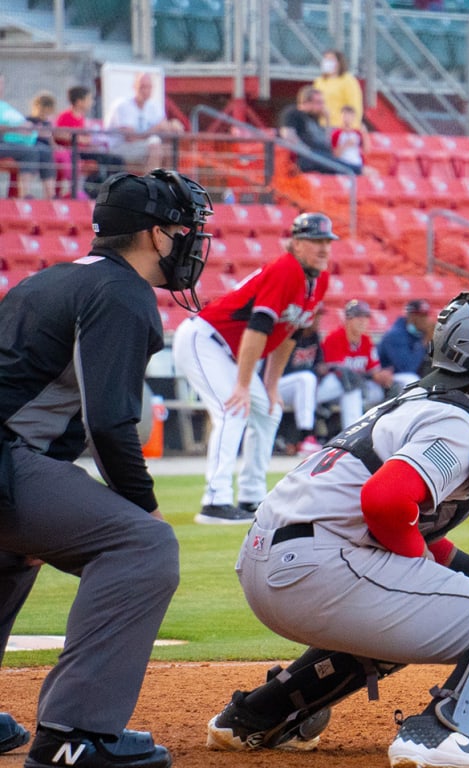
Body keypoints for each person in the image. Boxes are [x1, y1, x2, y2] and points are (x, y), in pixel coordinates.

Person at [203, 292, 469, 768]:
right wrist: (427, 568)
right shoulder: (457, 421)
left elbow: (415, 534)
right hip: (318, 566)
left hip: (273, 561)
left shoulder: (415, 401)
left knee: (464, 607)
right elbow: (385, 501)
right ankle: (440, 736)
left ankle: (255, 718)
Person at [0, 169, 212, 768]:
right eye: (183, 231)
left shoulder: (52, 279)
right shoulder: (122, 293)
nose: (191, 243)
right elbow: (109, 423)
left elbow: (43, 411)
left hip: (9, 457)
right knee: (143, 545)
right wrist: (141, 504)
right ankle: (76, 735)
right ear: (155, 235)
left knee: (11, 552)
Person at [173, 212, 334, 525]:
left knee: (269, 410)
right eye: (316, 240)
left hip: (229, 352)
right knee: (233, 408)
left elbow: (291, 332)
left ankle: (251, 496)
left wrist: (271, 386)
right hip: (204, 340)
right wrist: (244, 386)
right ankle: (215, 502)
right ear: (297, 244)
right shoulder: (286, 268)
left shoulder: (319, 279)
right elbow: (257, 329)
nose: (324, 248)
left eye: (327, 241)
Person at [320, 299, 394, 428]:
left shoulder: (366, 341)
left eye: (366, 317)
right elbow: (337, 372)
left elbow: (374, 371)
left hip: (357, 387)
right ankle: (350, 436)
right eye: (358, 316)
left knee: (373, 391)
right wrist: (369, 376)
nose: (363, 321)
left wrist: (382, 376)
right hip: (332, 387)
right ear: (348, 319)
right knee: (351, 388)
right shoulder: (334, 338)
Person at [103, 72, 185, 173]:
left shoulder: (154, 108)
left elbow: (163, 128)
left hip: (142, 146)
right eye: (142, 87)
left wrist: (173, 126)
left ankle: (167, 185)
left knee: (169, 150)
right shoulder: (123, 106)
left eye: (148, 87)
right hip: (120, 147)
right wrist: (156, 129)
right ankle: (150, 186)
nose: (145, 91)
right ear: (134, 87)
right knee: (155, 148)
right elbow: (130, 138)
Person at [53, 86, 126, 197]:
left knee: (116, 160)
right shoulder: (65, 116)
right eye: (89, 99)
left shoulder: (82, 118)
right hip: (73, 152)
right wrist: (78, 138)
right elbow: (58, 134)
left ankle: (115, 191)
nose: (92, 102)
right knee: (105, 160)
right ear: (79, 102)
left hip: (84, 151)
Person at [0, 73, 55, 199]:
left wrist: (30, 128)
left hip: (16, 139)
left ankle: (50, 196)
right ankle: (25, 195)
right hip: (4, 141)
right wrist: (16, 129)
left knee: (45, 150)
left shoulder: (4, 105)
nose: (1, 87)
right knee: (30, 152)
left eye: (2, 84)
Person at [275, 321, 325, 457]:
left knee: (308, 380)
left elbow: (319, 363)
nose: (318, 320)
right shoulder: (290, 334)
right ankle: (306, 435)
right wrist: (313, 371)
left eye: (319, 316)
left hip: (299, 387)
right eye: (316, 316)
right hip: (276, 384)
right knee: (306, 378)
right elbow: (284, 369)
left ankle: (308, 439)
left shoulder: (314, 336)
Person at [279, 86, 344, 174]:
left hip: (322, 155)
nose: (322, 106)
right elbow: (288, 135)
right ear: (307, 102)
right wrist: (308, 152)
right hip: (308, 158)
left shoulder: (313, 117)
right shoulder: (292, 113)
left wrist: (328, 119)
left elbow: (327, 142)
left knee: (345, 163)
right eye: (319, 102)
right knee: (350, 168)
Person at [378, 298, 435, 390]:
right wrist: (425, 341)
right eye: (420, 315)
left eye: (425, 315)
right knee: (411, 380)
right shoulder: (395, 335)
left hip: (406, 374)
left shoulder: (420, 333)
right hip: (388, 377)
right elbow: (407, 368)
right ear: (410, 316)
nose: (424, 320)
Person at [311, 49, 363, 129]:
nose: (327, 62)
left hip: (341, 126)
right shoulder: (319, 81)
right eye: (325, 59)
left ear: (339, 62)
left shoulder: (348, 80)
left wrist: (353, 126)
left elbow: (354, 105)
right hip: (322, 124)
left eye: (330, 59)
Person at [329, 104, 367, 175]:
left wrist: (365, 134)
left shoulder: (357, 133)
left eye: (350, 115)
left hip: (357, 163)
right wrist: (346, 144)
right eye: (345, 115)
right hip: (343, 164)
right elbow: (334, 154)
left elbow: (366, 150)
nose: (347, 118)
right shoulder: (336, 133)